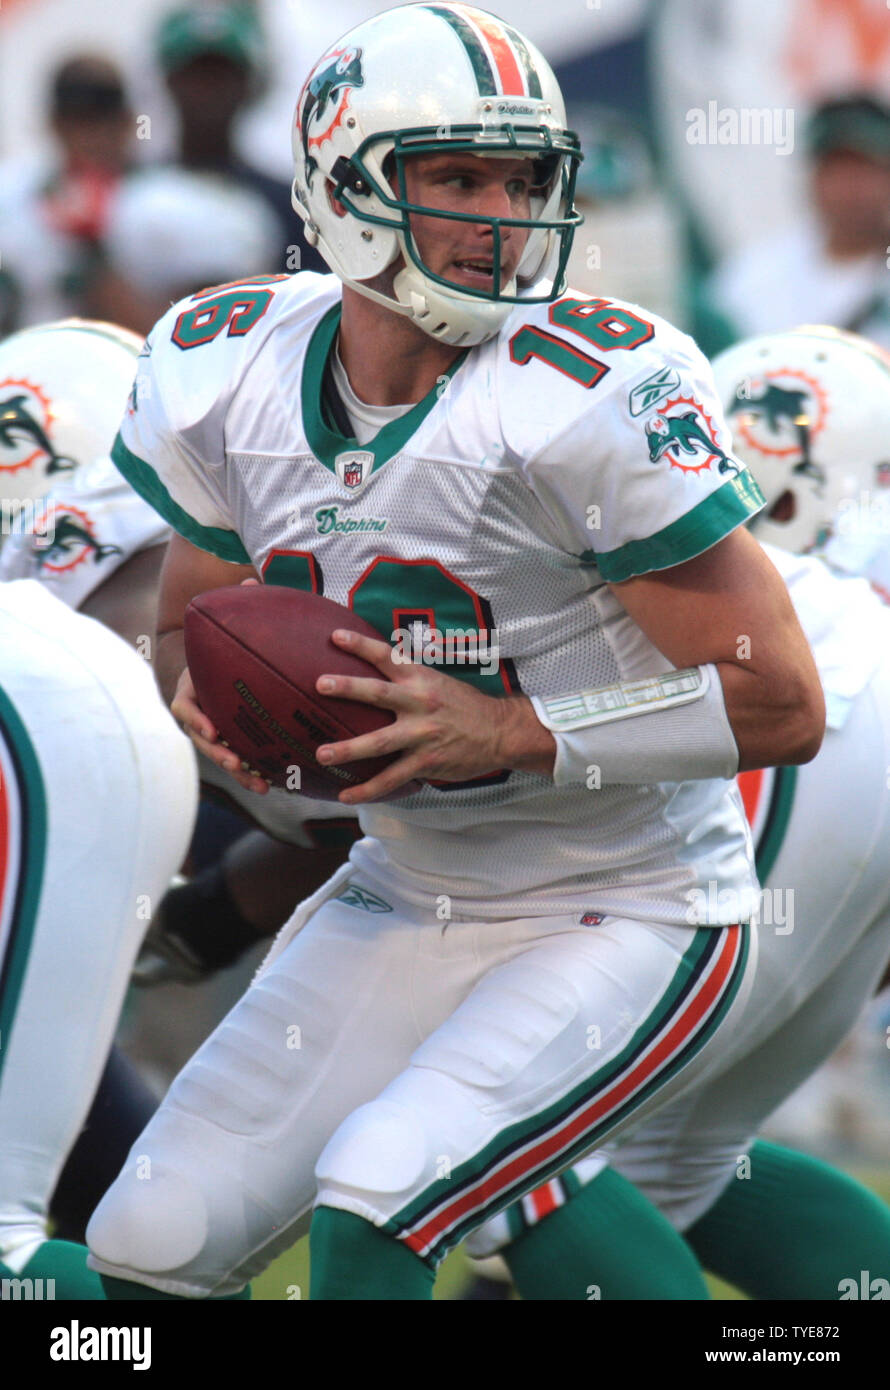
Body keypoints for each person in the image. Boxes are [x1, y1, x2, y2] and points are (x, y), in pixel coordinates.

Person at [84, 4, 822, 1301]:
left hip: (627, 901)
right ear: (346, 183)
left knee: (384, 1196)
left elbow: (779, 702)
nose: (499, 210)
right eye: (457, 176)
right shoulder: (226, 365)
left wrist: (515, 731)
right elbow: (185, 638)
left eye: (521, 177)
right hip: (406, 886)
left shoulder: (586, 392)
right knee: (150, 1247)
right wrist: (206, 704)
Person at [465, 326, 890, 1299]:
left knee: (514, 1143)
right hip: (842, 721)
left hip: (810, 703)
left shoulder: (772, 589)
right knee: (673, 1164)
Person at [700, 96, 890, 354]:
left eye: (864, 171)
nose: (849, 189)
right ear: (813, 177)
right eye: (834, 170)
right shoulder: (752, 277)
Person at [0, 57, 133, 335]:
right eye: (75, 120)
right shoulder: (12, 195)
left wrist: (93, 251)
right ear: (53, 124)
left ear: (128, 122)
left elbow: (168, 339)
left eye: (102, 119)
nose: (90, 135)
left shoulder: (156, 200)